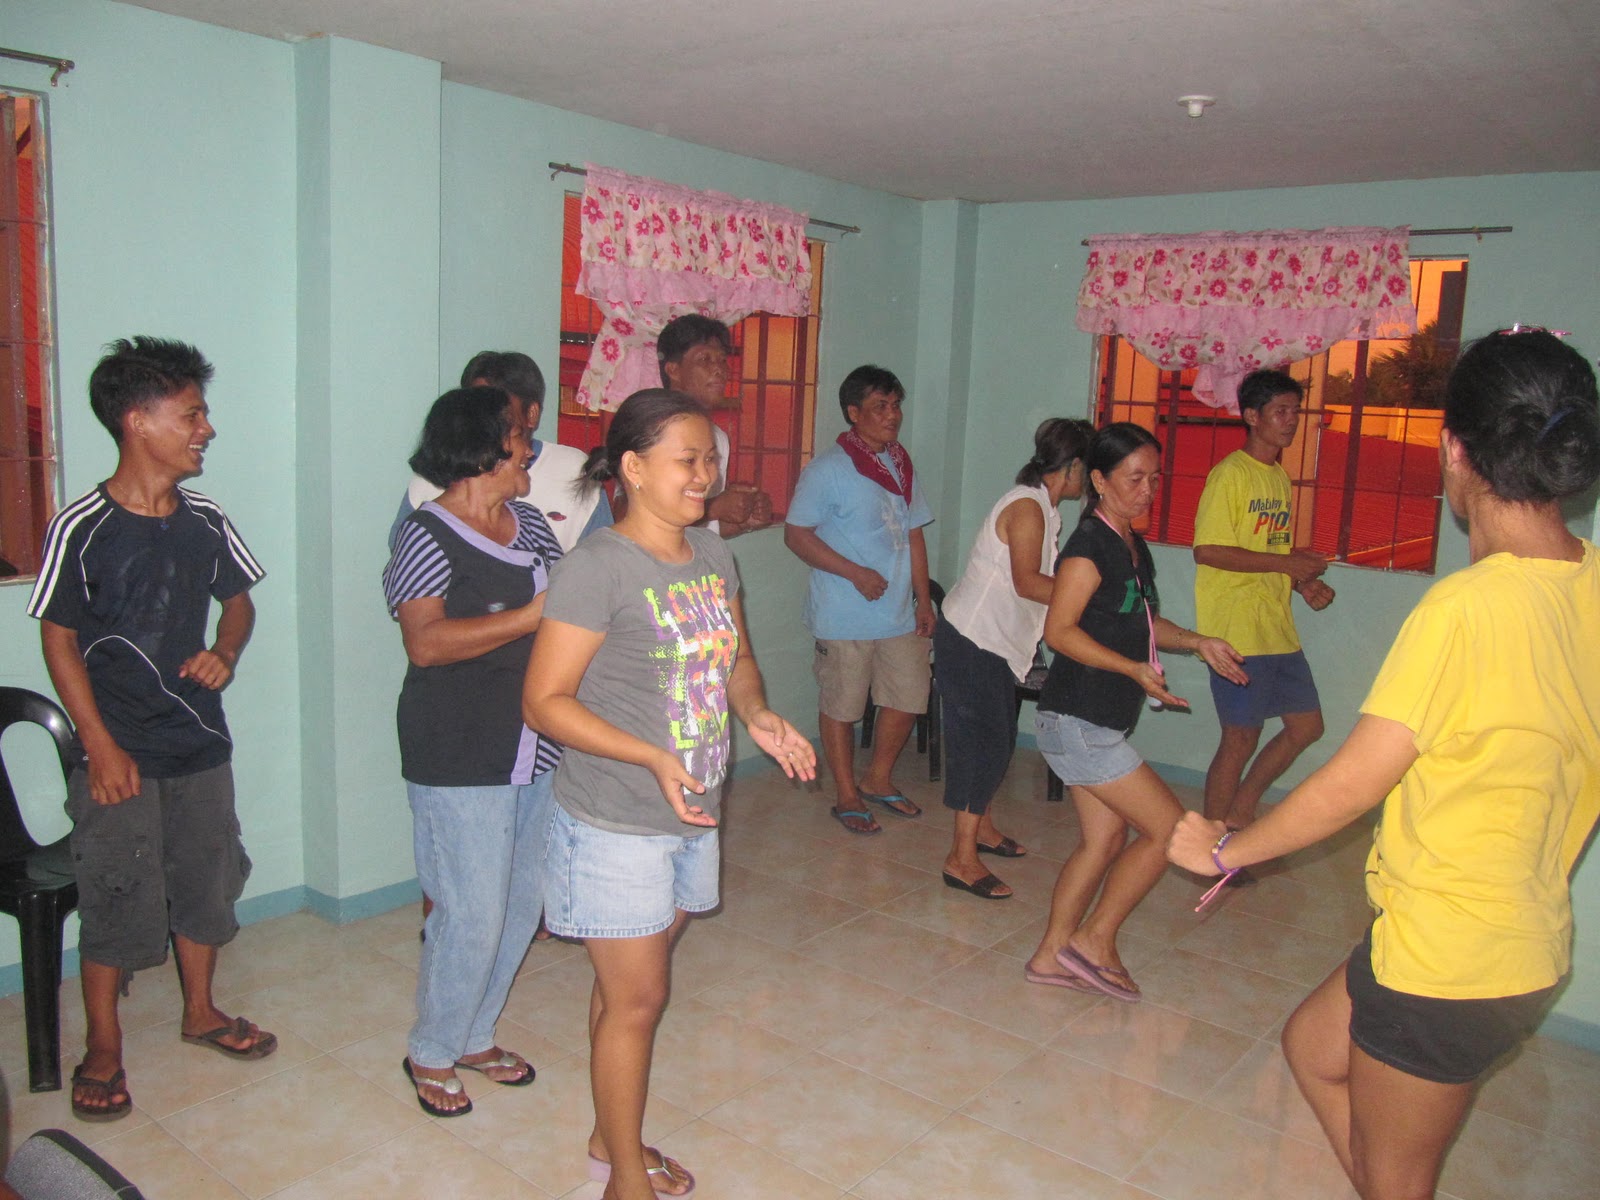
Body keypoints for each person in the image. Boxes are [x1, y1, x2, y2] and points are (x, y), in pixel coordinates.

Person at [1168, 328, 1600, 1200]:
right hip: (1485, 937)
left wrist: (1222, 850)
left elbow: (1352, 784)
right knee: (1309, 1049)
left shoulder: (1467, 607)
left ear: (1455, 452)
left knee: (1401, 1183)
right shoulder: (1587, 582)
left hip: (1454, 959)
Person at [522, 389, 816, 1200]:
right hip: (617, 817)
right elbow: (544, 700)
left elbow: (738, 664)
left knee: (626, 990)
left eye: (710, 458)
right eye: (688, 459)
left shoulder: (715, 557)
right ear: (633, 468)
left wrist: (757, 715)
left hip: (693, 813)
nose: (706, 474)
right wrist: (650, 756)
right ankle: (624, 1179)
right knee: (640, 998)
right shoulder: (597, 567)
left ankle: (606, 1139)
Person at [27, 337, 273, 1121]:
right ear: (138, 421)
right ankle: (103, 1045)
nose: (207, 428)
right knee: (116, 893)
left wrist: (225, 652)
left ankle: (199, 1011)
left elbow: (239, 600)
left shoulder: (206, 520)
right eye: (192, 413)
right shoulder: (83, 526)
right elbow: (58, 638)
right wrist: (98, 746)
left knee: (206, 881)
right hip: (118, 753)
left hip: (200, 744)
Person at [382, 386, 562, 1116]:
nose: (530, 447)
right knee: (471, 909)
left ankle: (476, 1034)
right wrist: (529, 617)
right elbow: (424, 643)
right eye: (519, 437)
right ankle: (430, 1049)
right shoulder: (427, 535)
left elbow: (570, 603)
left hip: (535, 746)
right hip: (459, 753)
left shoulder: (528, 524)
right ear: (484, 450)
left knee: (521, 903)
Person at [1023, 423, 1246, 999]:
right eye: (1134, 478)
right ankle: (1095, 940)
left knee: (1104, 841)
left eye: (1154, 477)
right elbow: (1059, 631)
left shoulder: (1131, 545)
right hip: (1077, 720)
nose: (1148, 490)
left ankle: (1050, 956)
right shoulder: (1089, 547)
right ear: (1098, 480)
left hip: (1090, 720)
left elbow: (1143, 627)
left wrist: (1198, 642)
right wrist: (1130, 669)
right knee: (1170, 833)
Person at [935, 418, 1094, 898]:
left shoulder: (1043, 507)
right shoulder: (1027, 509)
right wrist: (1088, 600)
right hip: (972, 641)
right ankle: (960, 858)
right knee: (979, 746)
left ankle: (980, 828)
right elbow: (1028, 581)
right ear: (1074, 467)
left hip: (996, 644)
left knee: (998, 740)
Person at [784, 365, 936, 834]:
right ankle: (847, 793)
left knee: (908, 698)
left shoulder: (899, 463)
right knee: (842, 707)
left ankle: (878, 779)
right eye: (880, 407)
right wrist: (854, 574)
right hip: (844, 614)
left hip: (898, 613)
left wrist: (924, 599)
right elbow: (795, 535)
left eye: (895, 406)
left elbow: (913, 534)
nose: (893, 416)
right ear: (853, 413)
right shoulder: (828, 469)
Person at [1193, 369, 1333, 860]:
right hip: (1235, 629)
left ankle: (1242, 810)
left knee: (1306, 726)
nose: (1291, 421)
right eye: (1281, 411)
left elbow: (1267, 545)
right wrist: (1286, 564)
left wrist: (1302, 580)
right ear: (1252, 417)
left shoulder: (1276, 477)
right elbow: (1208, 550)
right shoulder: (1230, 474)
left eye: (1296, 411)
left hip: (1275, 626)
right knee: (1240, 737)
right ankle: (1209, 844)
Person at [390, 351, 610, 554]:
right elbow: (409, 566)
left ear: (531, 414)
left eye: (495, 409)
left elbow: (601, 564)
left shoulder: (566, 477)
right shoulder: (433, 480)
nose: (482, 419)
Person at [655, 314, 771, 536]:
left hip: (694, 566)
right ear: (673, 370)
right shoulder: (652, 428)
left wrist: (743, 520)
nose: (720, 369)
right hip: (649, 567)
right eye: (705, 360)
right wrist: (715, 507)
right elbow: (627, 513)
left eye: (722, 360)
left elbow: (705, 530)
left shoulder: (717, 437)